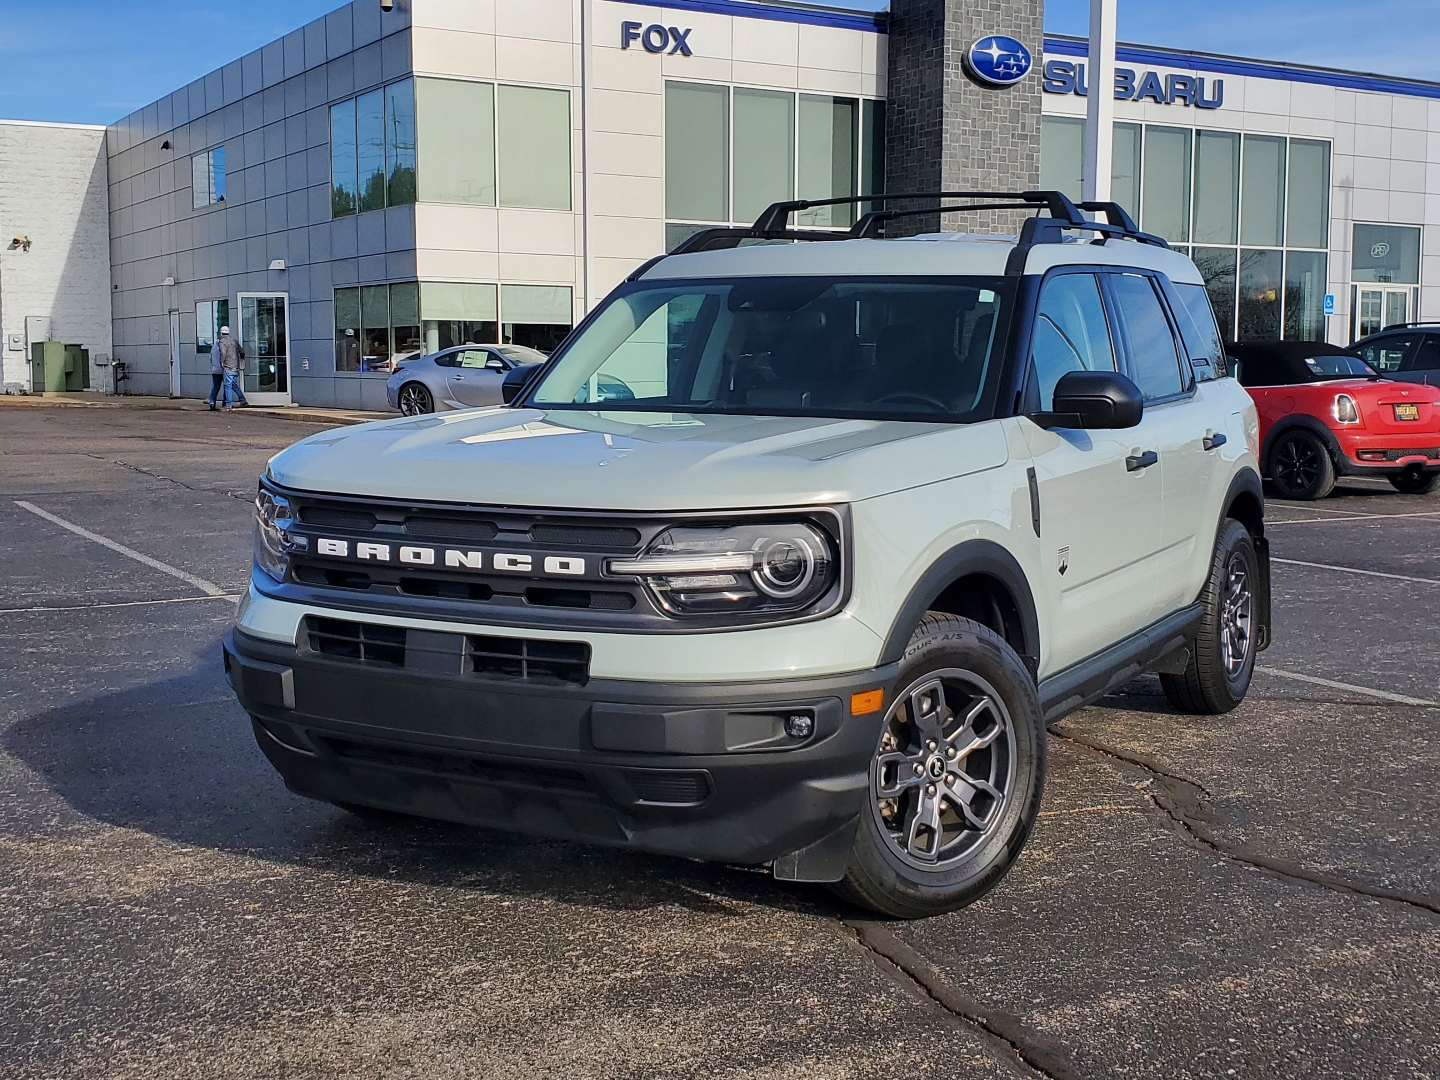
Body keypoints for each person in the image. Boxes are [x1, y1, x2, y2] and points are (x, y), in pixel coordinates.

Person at [216, 326, 248, 411]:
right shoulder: (234, 341)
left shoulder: (222, 342)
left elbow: (223, 353)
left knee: (228, 386)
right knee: (233, 385)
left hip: (228, 366)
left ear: (221, 333)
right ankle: (243, 400)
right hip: (235, 366)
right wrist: (241, 358)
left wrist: (222, 362)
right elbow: (242, 351)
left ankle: (228, 405)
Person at [207, 340, 224, 410]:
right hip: (223, 370)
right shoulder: (224, 346)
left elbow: (210, 358)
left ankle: (212, 402)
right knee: (227, 387)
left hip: (215, 370)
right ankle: (225, 404)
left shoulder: (213, 347)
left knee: (215, 387)